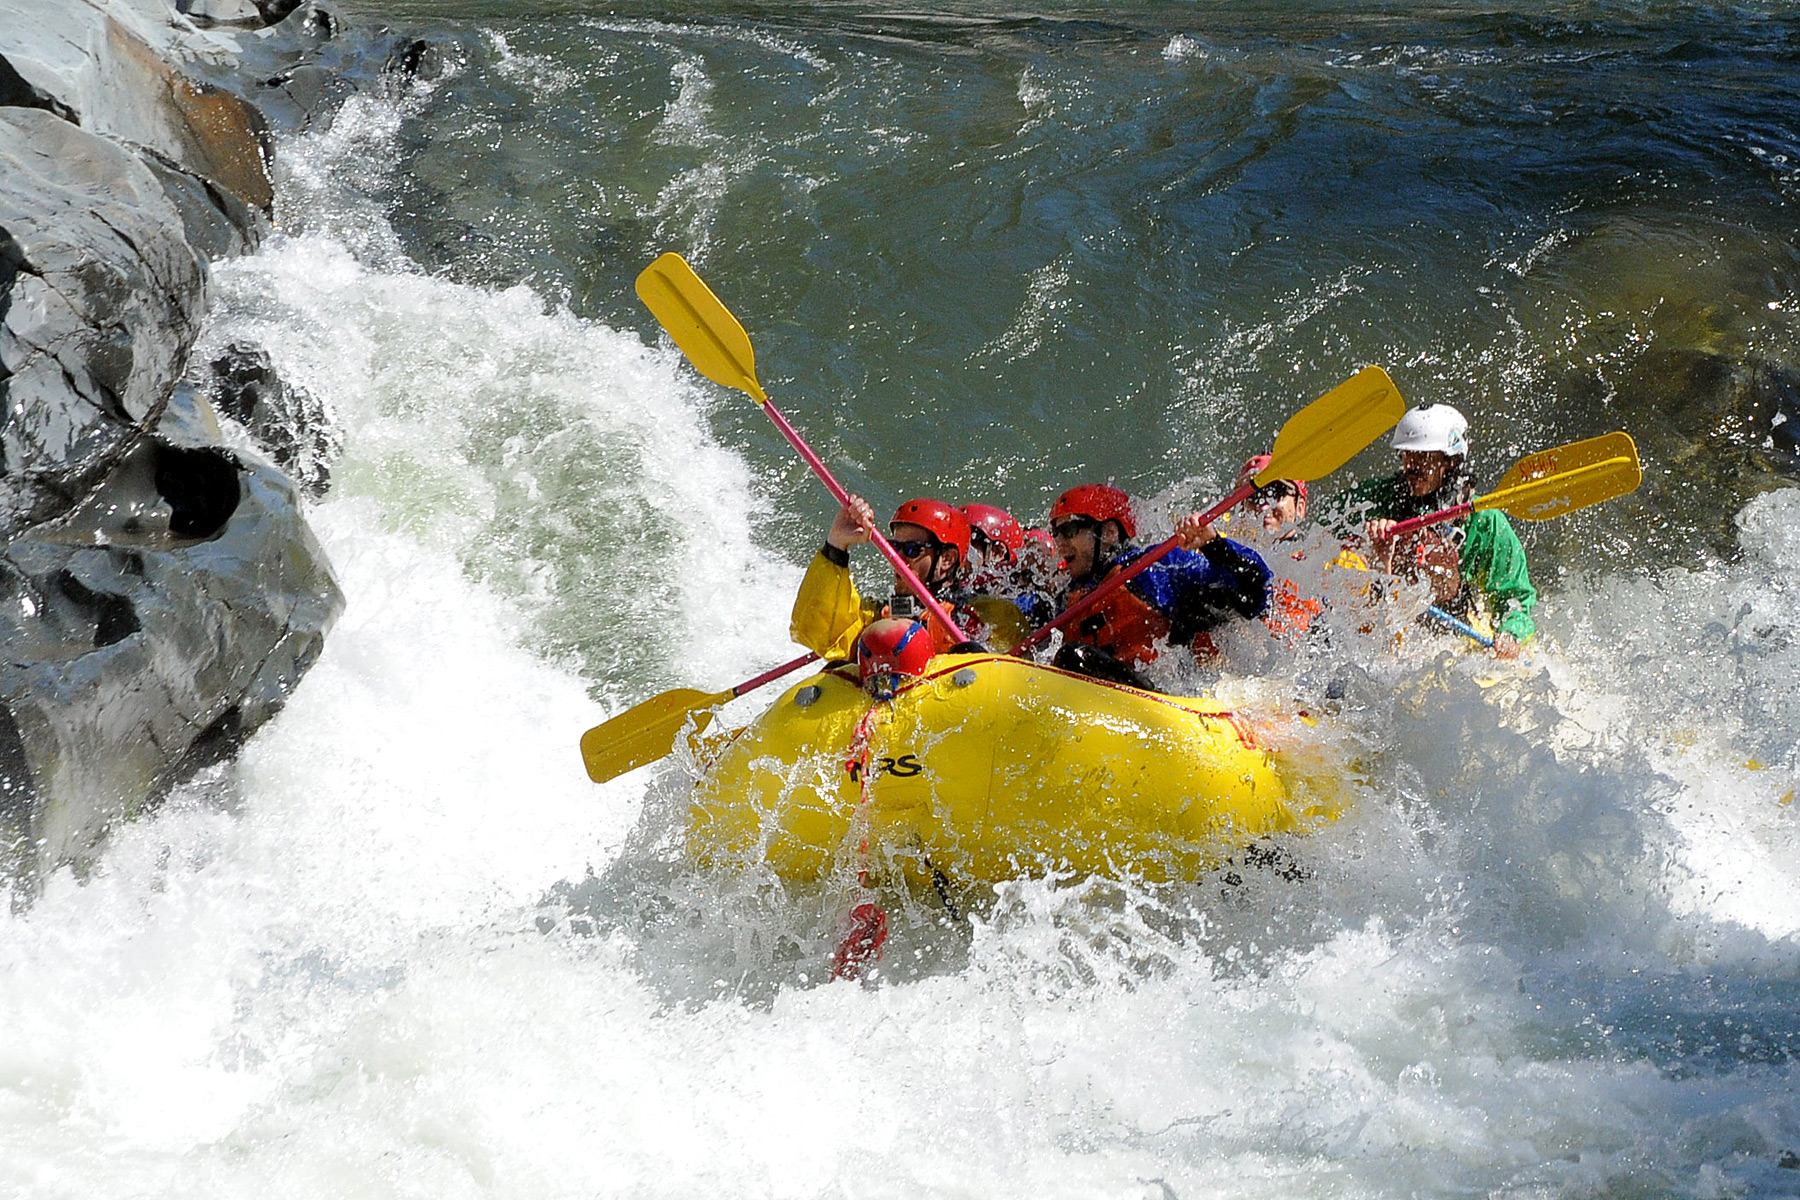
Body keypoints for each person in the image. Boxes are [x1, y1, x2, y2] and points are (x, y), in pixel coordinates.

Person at [1320, 403, 1536, 656]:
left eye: (1425, 457)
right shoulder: (1378, 497)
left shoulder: (1484, 521)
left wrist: (1511, 633)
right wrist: (1364, 544)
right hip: (1387, 623)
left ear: (1451, 462)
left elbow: (1515, 598)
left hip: (1451, 630)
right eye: (1408, 455)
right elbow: (1323, 533)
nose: (1413, 465)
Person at [1045, 483, 1270, 685]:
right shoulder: (1065, 597)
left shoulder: (1155, 568)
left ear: (1110, 532)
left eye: (1069, 531)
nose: (1060, 543)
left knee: (1073, 657)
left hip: (1163, 698)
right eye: (1056, 533)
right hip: (1102, 703)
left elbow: (1256, 589)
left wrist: (1215, 546)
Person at [790, 494, 987, 661]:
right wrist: (836, 544)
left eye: (912, 550)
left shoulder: (973, 617)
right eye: (894, 548)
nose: (897, 559)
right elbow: (813, 634)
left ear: (947, 559)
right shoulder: (877, 617)